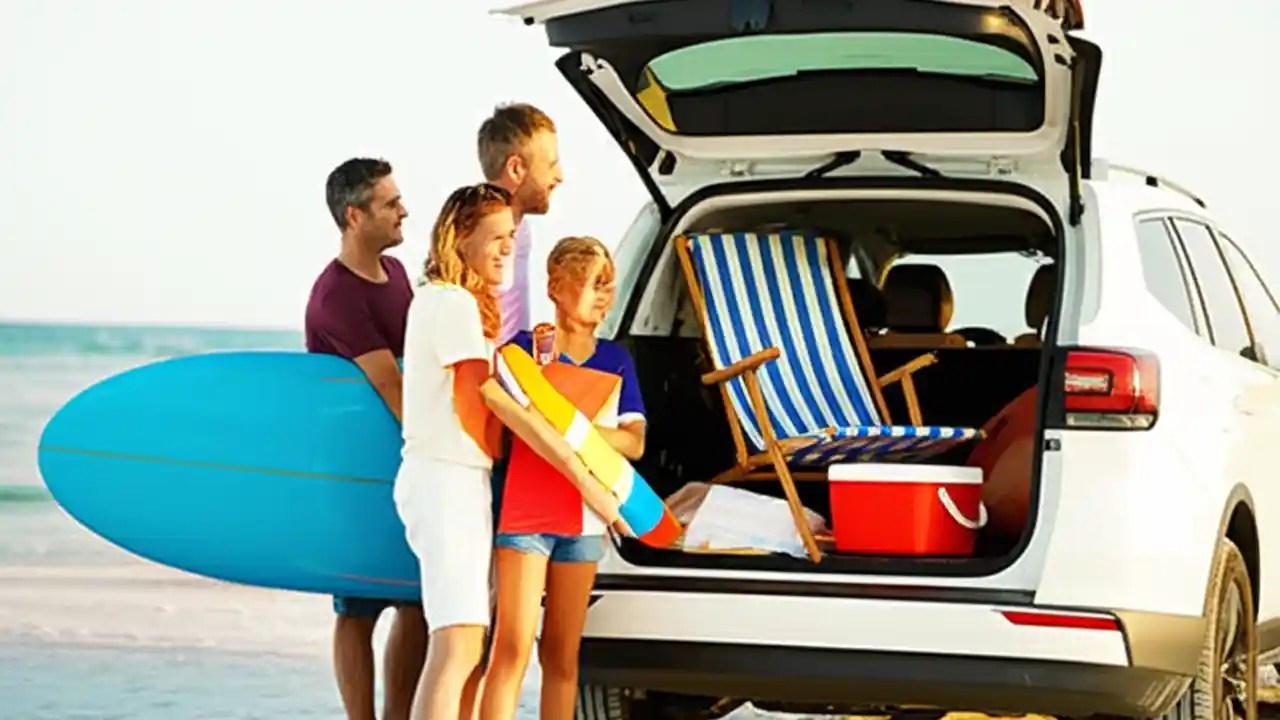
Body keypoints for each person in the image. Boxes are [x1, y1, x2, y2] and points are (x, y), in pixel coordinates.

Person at [480, 237, 647, 720]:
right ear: (555, 287)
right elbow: (504, 425)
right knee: (509, 650)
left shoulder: (617, 360)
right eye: (594, 284)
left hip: (585, 522)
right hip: (526, 516)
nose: (605, 295)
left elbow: (634, 442)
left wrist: (574, 429)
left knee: (562, 656)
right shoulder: (523, 351)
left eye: (609, 286)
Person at [304, 157, 428, 720]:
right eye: (390, 202)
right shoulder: (336, 297)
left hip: (403, 459)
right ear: (355, 215)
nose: (404, 210)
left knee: (416, 597)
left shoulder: (397, 274)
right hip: (357, 467)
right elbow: (391, 383)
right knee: (357, 607)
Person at [394, 183, 516, 720]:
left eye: (511, 236)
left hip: (448, 479)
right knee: (457, 645)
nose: (507, 247)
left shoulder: (446, 302)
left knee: (464, 645)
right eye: (495, 237)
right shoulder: (452, 301)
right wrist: (506, 448)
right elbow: (473, 399)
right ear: (461, 238)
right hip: (448, 479)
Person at [477, 102, 564, 345]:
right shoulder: (474, 238)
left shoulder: (520, 229)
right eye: (551, 165)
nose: (560, 176)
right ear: (516, 169)